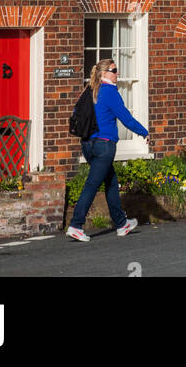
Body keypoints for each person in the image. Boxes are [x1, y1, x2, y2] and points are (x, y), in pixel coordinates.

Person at [66, 58, 150, 240]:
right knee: (92, 184)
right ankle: (76, 224)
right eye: (114, 70)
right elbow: (126, 118)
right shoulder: (110, 92)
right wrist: (144, 132)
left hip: (88, 145)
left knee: (111, 182)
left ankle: (121, 224)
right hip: (104, 146)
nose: (117, 73)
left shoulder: (90, 91)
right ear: (104, 73)